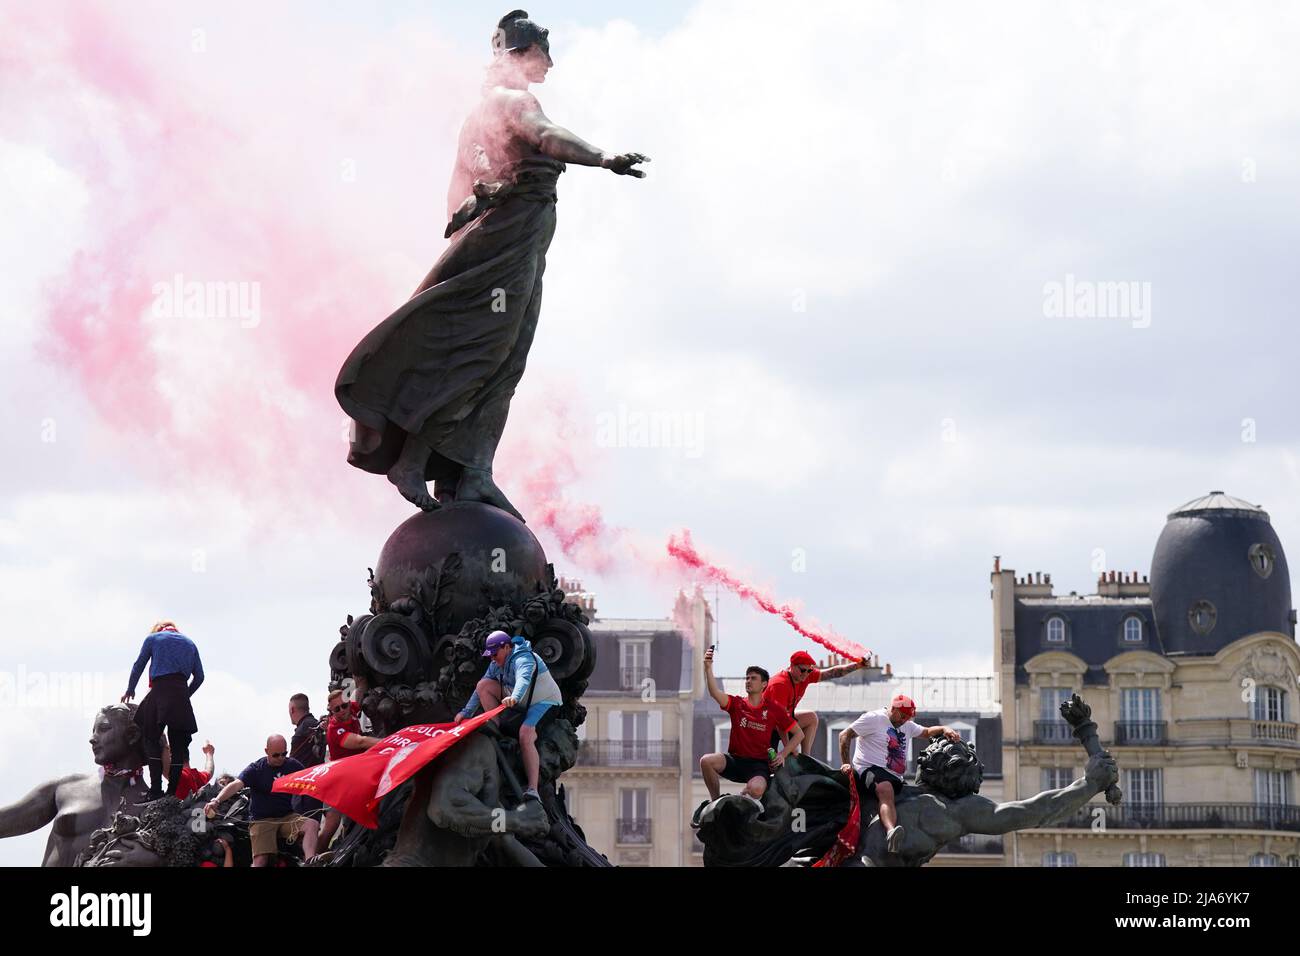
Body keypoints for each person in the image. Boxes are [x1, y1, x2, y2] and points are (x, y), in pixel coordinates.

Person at [335, 9, 649, 518]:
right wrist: (605, 157)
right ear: (517, 55)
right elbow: (547, 136)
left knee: (508, 361)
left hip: (522, 243)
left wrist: (476, 207)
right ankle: (412, 462)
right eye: (541, 53)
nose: (548, 63)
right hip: (506, 242)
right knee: (482, 355)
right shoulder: (511, 102)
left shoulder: (483, 114)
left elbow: (461, 192)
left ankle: (474, 472)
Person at [0, 703, 152, 866]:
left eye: (103, 728)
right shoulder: (65, 788)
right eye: (93, 730)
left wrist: (157, 860)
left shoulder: (156, 808)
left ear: (132, 735)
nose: (92, 738)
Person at [838, 694, 961, 853]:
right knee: (885, 789)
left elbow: (927, 732)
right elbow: (844, 735)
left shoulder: (907, 725)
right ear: (894, 709)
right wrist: (846, 763)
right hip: (869, 769)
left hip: (895, 776)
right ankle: (891, 833)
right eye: (902, 716)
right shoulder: (874, 718)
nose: (904, 720)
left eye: (908, 718)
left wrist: (945, 729)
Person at [455, 630, 562, 803]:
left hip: (543, 702)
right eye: (490, 656)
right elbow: (480, 688)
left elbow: (523, 679)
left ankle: (533, 789)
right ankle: (497, 731)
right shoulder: (497, 663)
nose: (493, 659)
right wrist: (465, 712)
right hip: (519, 702)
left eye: (495, 654)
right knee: (484, 685)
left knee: (525, 735)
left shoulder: (523, 659)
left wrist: (514, 697)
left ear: (506, 647)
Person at [699, 647, 803, 807]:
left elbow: (799, 734)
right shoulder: (737, 704)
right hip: (735, 760)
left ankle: (744, 797)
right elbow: (714, 693)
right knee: (706, 761)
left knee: (756, 789)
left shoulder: (774, 708)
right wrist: (707, 668)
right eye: (747, 678)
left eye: (753, 678)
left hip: (758, 766)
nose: (748, 681)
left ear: (764, 684)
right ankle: (715, 802)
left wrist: (783, 754)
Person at [204, 735, 319, 866]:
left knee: (312, 824)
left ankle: (311, 861)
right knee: (260, 860)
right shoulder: (256, 769)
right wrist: (216, 800)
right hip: (262, 820)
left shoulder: (292, 765)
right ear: (266, 751)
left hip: (287, 816)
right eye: (276, 755)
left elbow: (312, 779)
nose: (281, 758)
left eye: (284, 754)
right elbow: (236, 785)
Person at [121, 619, 205, 798]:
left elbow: (139, 665)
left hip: (159, 691)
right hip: (181, 694)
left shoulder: (153, 639)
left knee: (150, 738)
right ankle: (172, 793)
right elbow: (200, 677)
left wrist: (130, 688)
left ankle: (156, 790)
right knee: (178, 747)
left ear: (158, 629)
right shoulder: (190, 644)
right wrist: (186, 694)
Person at [764, 651, 867, 756]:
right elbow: (780, 722)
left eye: (809, 670)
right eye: (802, 670)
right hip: (766, 727)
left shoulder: (805, 676)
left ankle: (806, 758)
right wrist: (789, 748)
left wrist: (858, 665)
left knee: (811, 718)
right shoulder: (780, 685)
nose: (805, 674)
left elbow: (833, 673)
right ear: (792, 666)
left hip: (784, 722)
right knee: (771, 762)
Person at [316, 688, 382, 848]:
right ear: (331, 711)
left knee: (353, 818)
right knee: (331, 825)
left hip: (353, 775)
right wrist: (390, 742)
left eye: (344, 706)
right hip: (336, 779)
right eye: (336, 709)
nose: (342, 711)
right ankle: (315, 857)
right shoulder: (334, 731)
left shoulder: (350, 708)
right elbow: (360, 741)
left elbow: (359, 692)